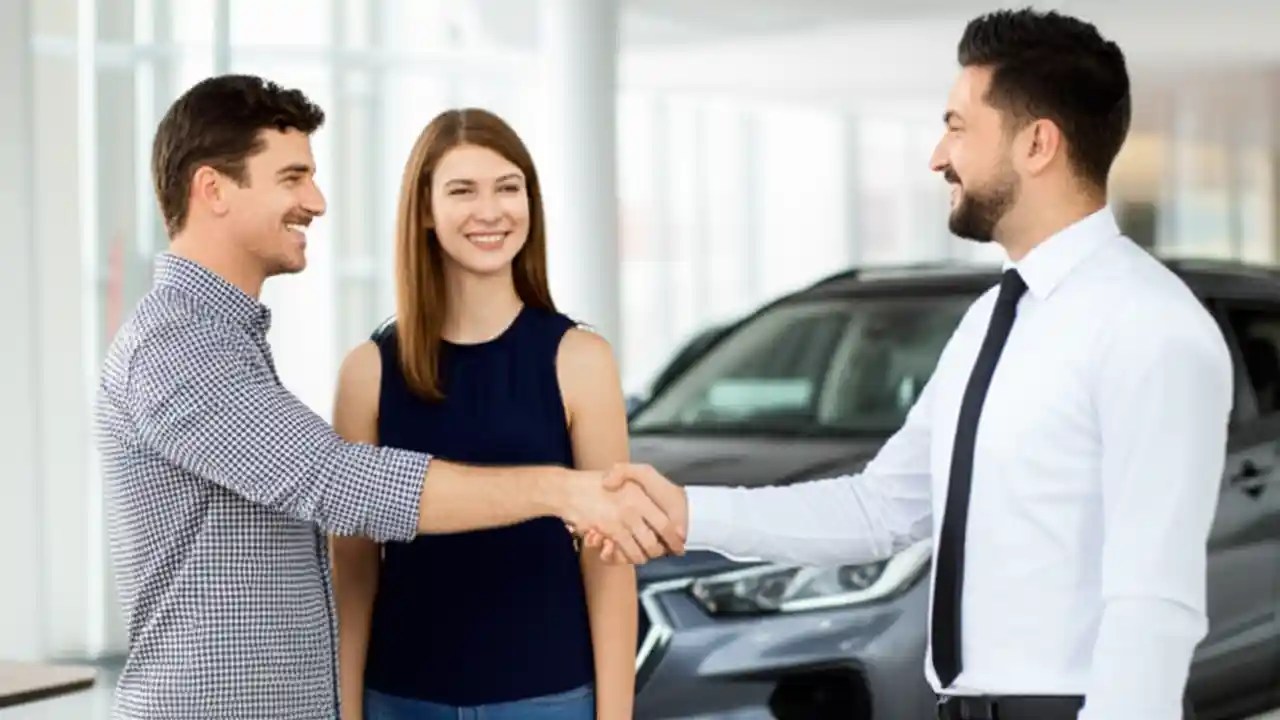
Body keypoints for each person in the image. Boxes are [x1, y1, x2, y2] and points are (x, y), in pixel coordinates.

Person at [589, 9, 1231, 720]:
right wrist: (686, 511)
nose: (936, 155)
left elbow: (1154, 600)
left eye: (957, 126)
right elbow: (882, 508)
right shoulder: (994, 318)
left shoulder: (1153, 327)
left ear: (1038, 143)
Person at [94, 75, 681, 720]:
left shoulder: (229, 339)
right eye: (292, 178)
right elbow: (337, 485)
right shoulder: (181, 345)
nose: (316, 201)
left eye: (507, 187)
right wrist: (560, 490)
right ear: (213, 190)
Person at [329, 108, 636, 720]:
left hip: (548, 698)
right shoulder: (367, 372)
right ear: (424, 210)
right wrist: (346, 709)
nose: (491, 211)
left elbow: (608, 564)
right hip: (402, 699)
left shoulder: (581, 360)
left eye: (508, 187)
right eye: (462, 190)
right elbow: (353, 575)